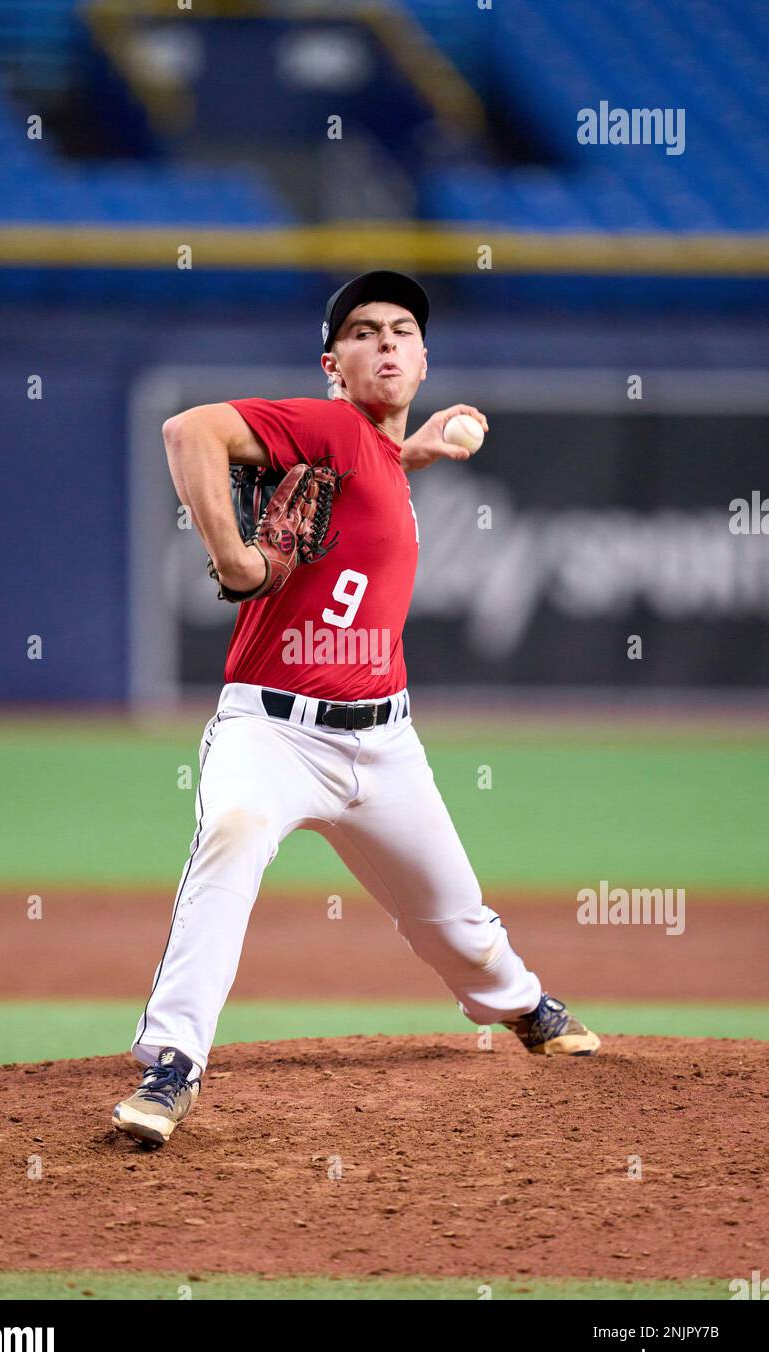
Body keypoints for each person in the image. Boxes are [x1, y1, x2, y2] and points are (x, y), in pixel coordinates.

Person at [112, 270, 600, 1147]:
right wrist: (234, 560)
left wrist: (431, 440)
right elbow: (189, 431)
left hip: (384, 744)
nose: (385, 341)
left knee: (456, 917)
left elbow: (376, 463)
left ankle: (524, 1007)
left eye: (402, 329)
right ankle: (173, 1063)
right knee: (230, 834)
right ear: (332, 364)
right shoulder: (331, 425)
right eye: (364, 331)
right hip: (272, 731)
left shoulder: (372, 453)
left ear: (423, 358)